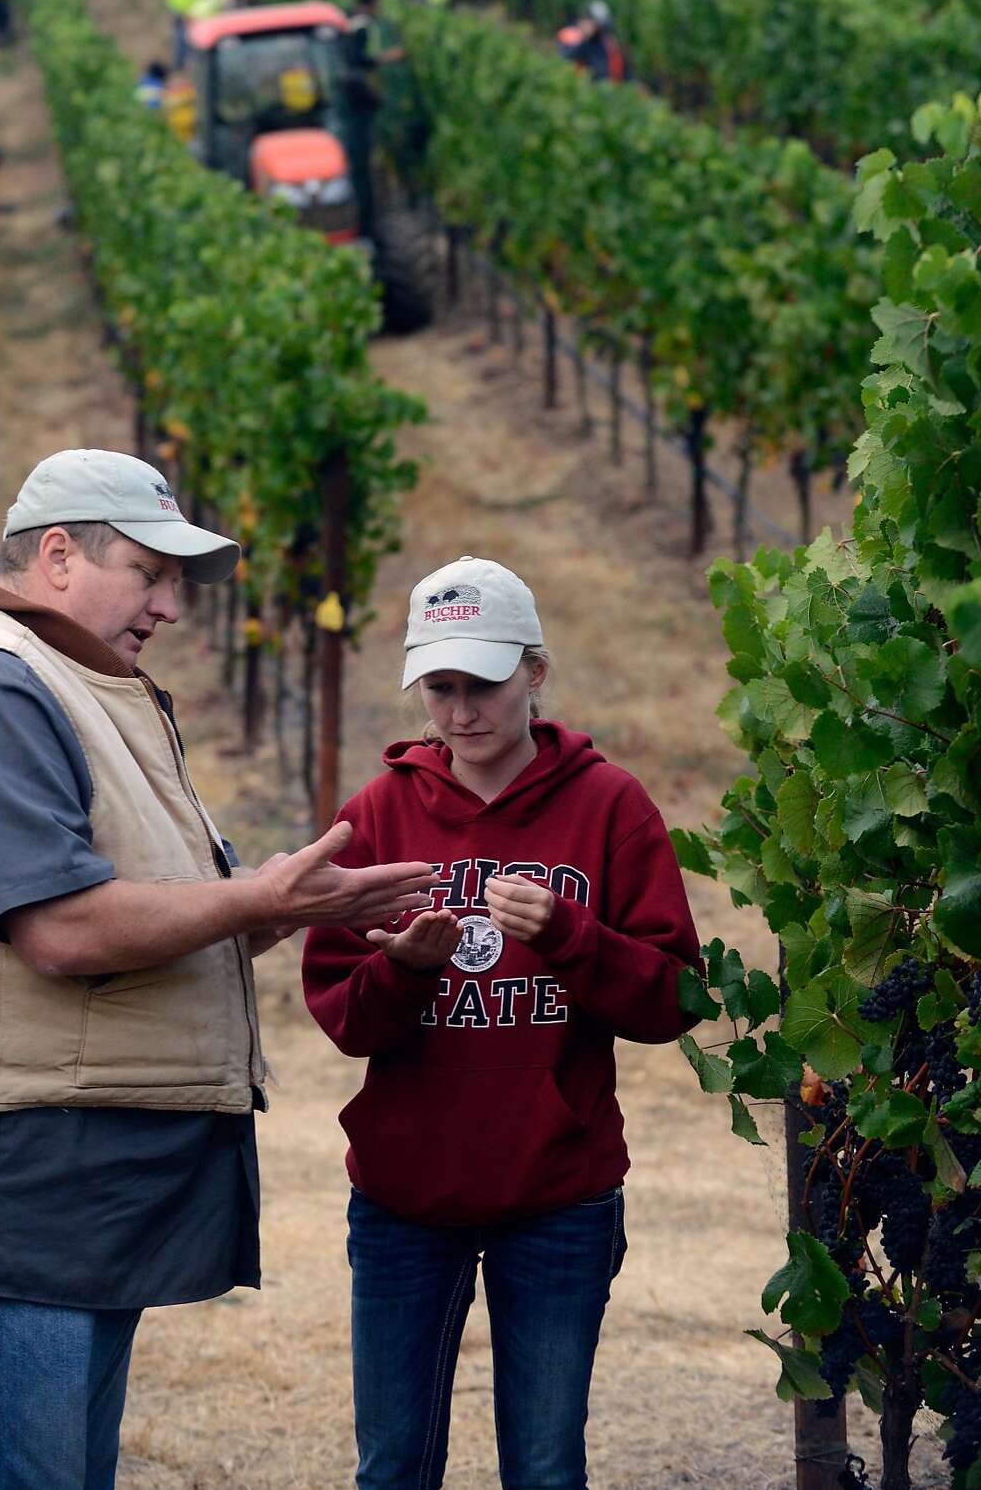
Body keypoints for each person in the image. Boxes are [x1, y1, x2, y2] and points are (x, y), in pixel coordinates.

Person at [0, 447, 434, 1490]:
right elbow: (64, 928)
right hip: (13, 1174)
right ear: (60, 555)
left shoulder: (84, 687)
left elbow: (157, 914)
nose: (170, 605)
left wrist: (298, 908)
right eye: (151, 572)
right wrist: (260, 898)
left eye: (177, 581)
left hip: (68, 1171)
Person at [302, 554, 701, 1490]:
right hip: (405, 1198)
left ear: (535, 672)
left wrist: (573, 936)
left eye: (482, 682)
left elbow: (673, 1000)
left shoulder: (610, 807)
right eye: (439, 687)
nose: (461, 711)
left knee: (548, 1466)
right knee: (394, 1465)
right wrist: (402, 973)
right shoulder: (376, 815)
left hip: (559, 1196)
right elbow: (344, 1020)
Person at [342, 0, 404, 239]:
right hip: (357, 111)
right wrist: (388, 58)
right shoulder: (360, 28)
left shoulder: (355, 24)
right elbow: (358, 63)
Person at [165, 0, 232, 67]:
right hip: (181, 6)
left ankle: (181, 62)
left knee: (182, 33)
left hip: (178, 3)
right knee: (184, 34)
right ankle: (181, 63)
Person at [557, 0, 631, 83]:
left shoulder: (603, 42)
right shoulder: (569, 35)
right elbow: (566, 58)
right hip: (576, 87)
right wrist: (585, 37)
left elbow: (614, 71)